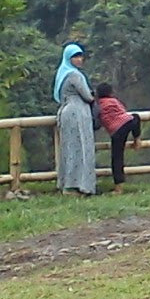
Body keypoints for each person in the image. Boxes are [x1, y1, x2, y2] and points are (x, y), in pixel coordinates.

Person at [52, 42, 96, 195]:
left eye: (80, 56)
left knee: (69, 148)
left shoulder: (62, 73)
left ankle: (67, 183)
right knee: (82, 147)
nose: (79, 59)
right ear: (68, 58)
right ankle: (81, 184)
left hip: (66, 111)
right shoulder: (75, 75)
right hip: (78, 113)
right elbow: (87, 96)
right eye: (75, 56)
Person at [93, 82, 142, 195]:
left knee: (117, 159)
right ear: (111, 93)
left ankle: (118, 188)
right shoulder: (114, 101)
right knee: (135, 117)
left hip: (116, 131)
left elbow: (97, 122)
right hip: (127, 121)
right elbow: (122, 110)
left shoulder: (98, 105)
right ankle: (137, 139)